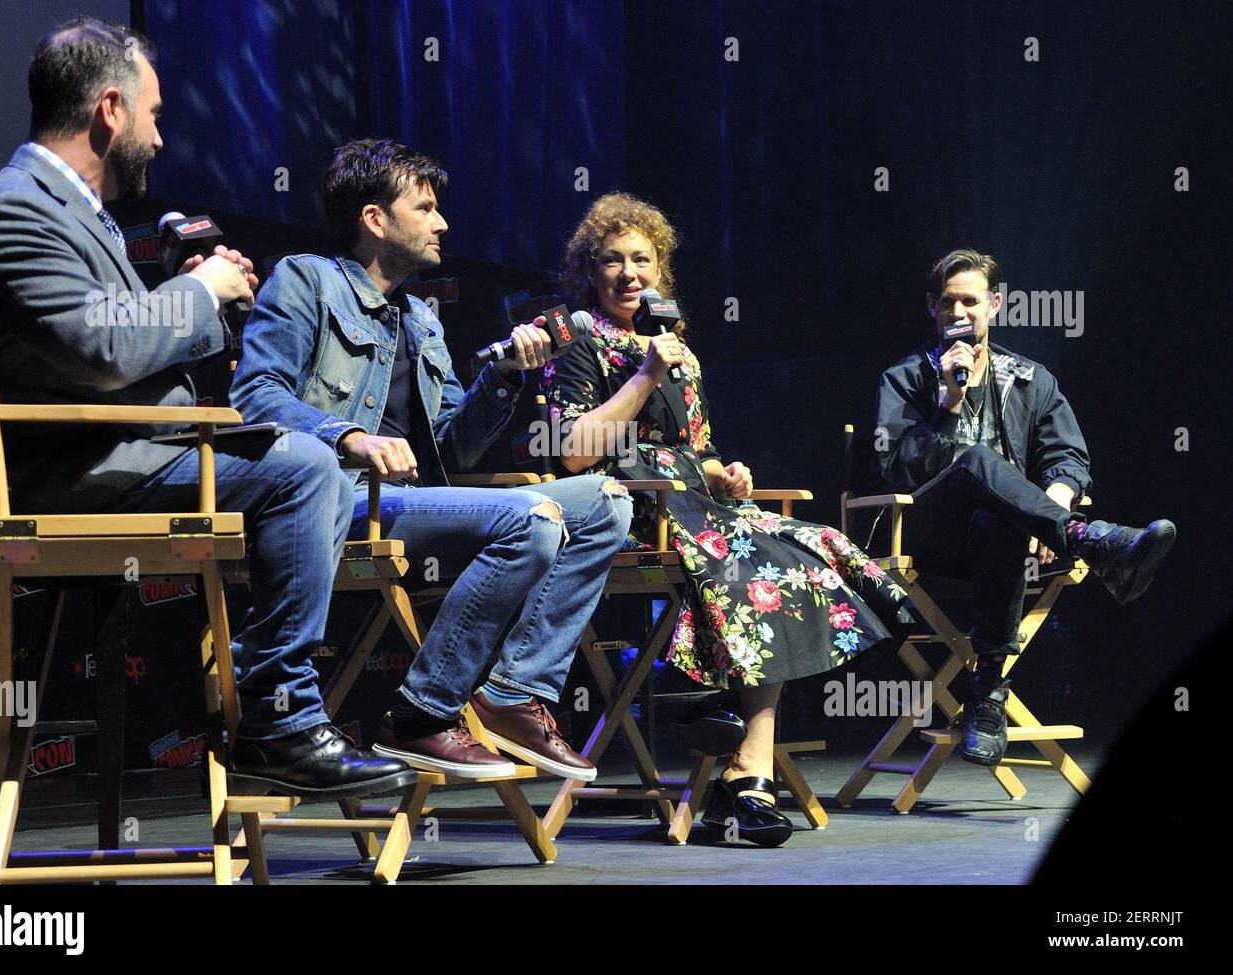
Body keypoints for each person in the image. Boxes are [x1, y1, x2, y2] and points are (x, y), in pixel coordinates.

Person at [0, 17, 413, 799]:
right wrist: (199, 292)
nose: (160, 138)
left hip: (117, 455)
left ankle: (272, 704)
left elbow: (107, 338)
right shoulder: (14, 209)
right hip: (65, 476)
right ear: (109, 110)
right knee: (302, 466)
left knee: (304, 462)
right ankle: (280, 720)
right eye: (154, 114)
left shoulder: (65, 209)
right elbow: (100, 346)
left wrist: (182, 288)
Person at [231, 138, 633, 783]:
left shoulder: (422, 319)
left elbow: (452, 449)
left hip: (414, 498)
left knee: (607, 502)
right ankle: (423, 712)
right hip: (333, 496)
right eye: (425, 208)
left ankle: (511, 693)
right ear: (375, 219)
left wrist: (504, 374)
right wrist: (346, 437)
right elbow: (256, 394)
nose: (443, 223)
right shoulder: (306, 279)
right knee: (531, 519)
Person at [539, 192, 911, 846]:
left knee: (803, 549)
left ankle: (744, 770)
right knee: (753, 570)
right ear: (588, 271)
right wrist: (646, 377)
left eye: (642, 259)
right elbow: (571, 449)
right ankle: (740, 772)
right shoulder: (574, 335)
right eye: (611, 260)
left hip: (698, 505)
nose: (629, 273)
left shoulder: (681, 349)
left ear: (662, 270)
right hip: (624, 508)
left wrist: (723, 471)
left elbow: (700, 449)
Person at [874, 248, 1175, 765]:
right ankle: (1091, 541)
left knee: (997, 517)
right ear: (931, 307)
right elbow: (897, 469)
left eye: (970, 301)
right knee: (972, 460)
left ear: (996, 304)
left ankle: (987, 690)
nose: (959, 314)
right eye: (947, 303)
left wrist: (1050, 502)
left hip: (1006, 541)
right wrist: (947, 399)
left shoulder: (1032, 379)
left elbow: (1068, 457)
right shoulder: (904, 378)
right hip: (927, 536)